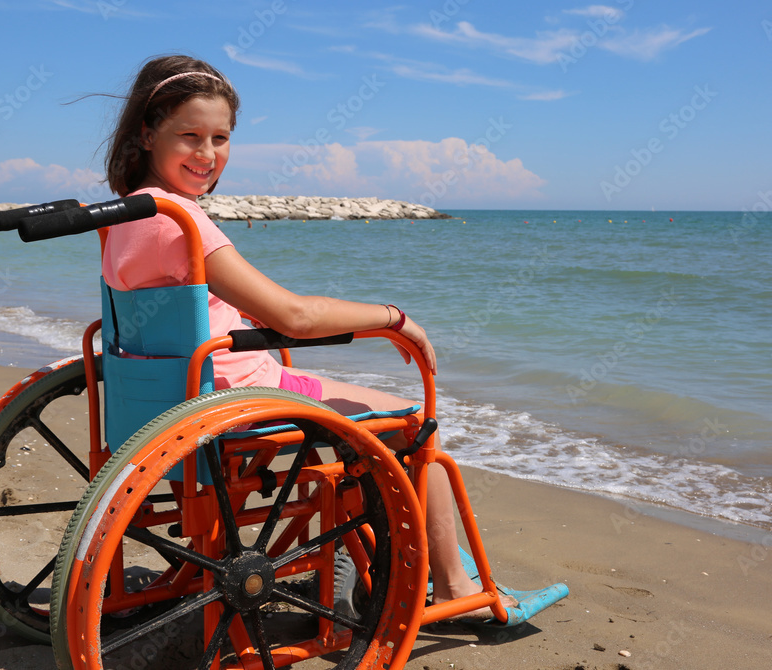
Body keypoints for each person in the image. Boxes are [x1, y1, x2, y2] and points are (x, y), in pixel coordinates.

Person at [99, 54, 510, 618]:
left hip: (163, 397)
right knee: (414, 425)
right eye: (189, 136)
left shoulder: (125, 213)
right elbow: (292, 316)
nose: (207, 154)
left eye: (220, 138)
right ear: (148, 134)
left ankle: (361, 548)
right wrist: (392, 318)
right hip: (233, 399)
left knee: (325, 385)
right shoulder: (182, 222)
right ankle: (458, 587)